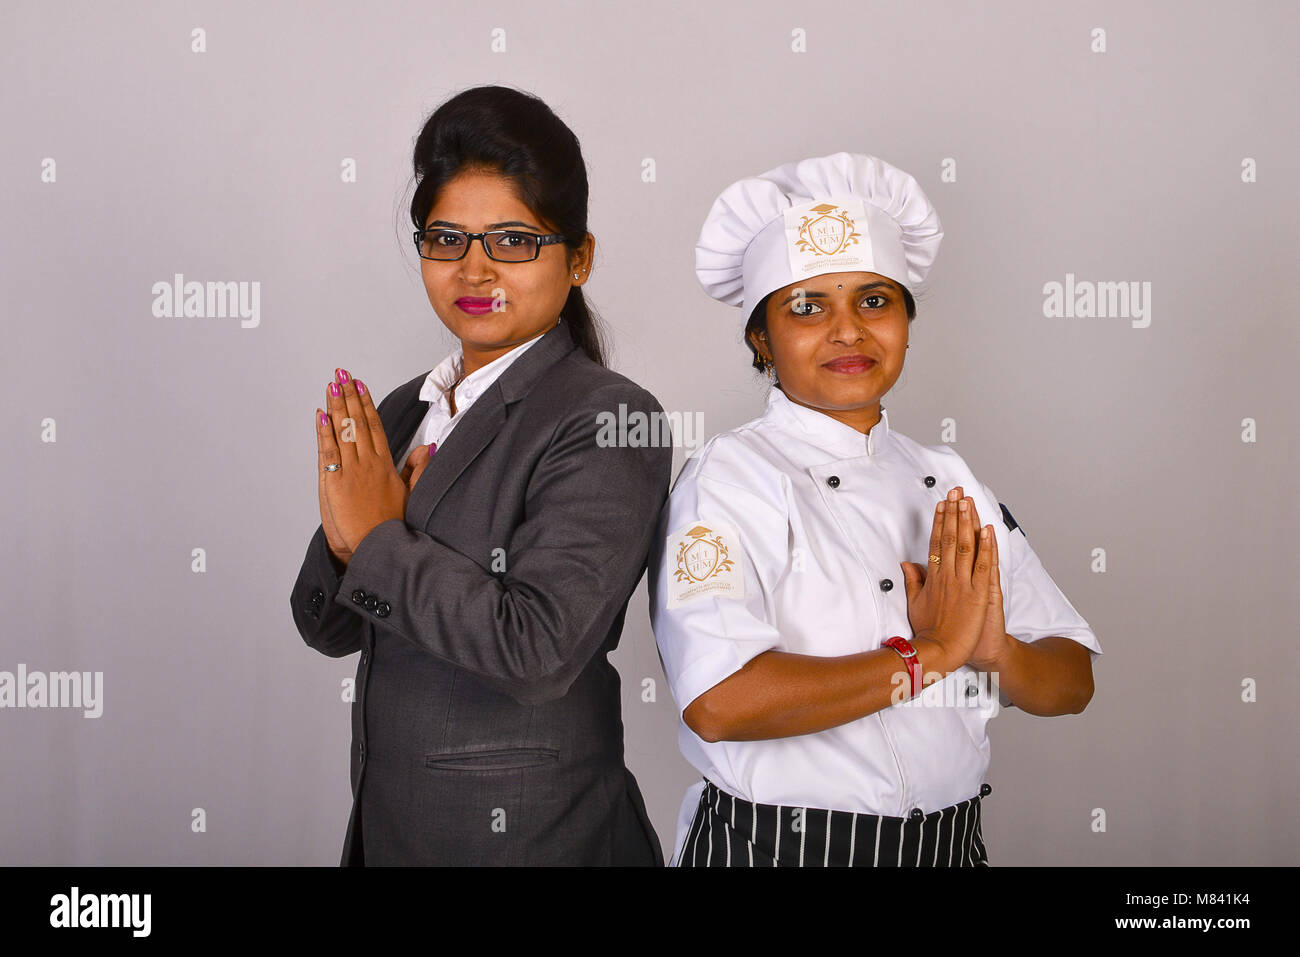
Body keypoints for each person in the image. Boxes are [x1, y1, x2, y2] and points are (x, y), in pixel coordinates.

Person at [649, 151, 1101, 867]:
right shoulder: (729, 479)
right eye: (806, 307)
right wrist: (933, 655)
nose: (849, 330)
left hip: (947, 849)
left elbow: (1072, 679)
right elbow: (721, 701)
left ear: (907, 322)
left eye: (874, 299)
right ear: (761, 338)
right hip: (777, 851)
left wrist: (994, 651)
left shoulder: (949, 478)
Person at [289, 85, 670, 866]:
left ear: (580, 256)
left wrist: (376, 536)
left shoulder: (608, 418)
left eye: (513, 241)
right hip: (392, 827)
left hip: (535, 837)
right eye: (447, 238)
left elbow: (538, 651)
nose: (475, 268)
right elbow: (326, 627)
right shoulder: (403, 408)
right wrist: (342, 546)